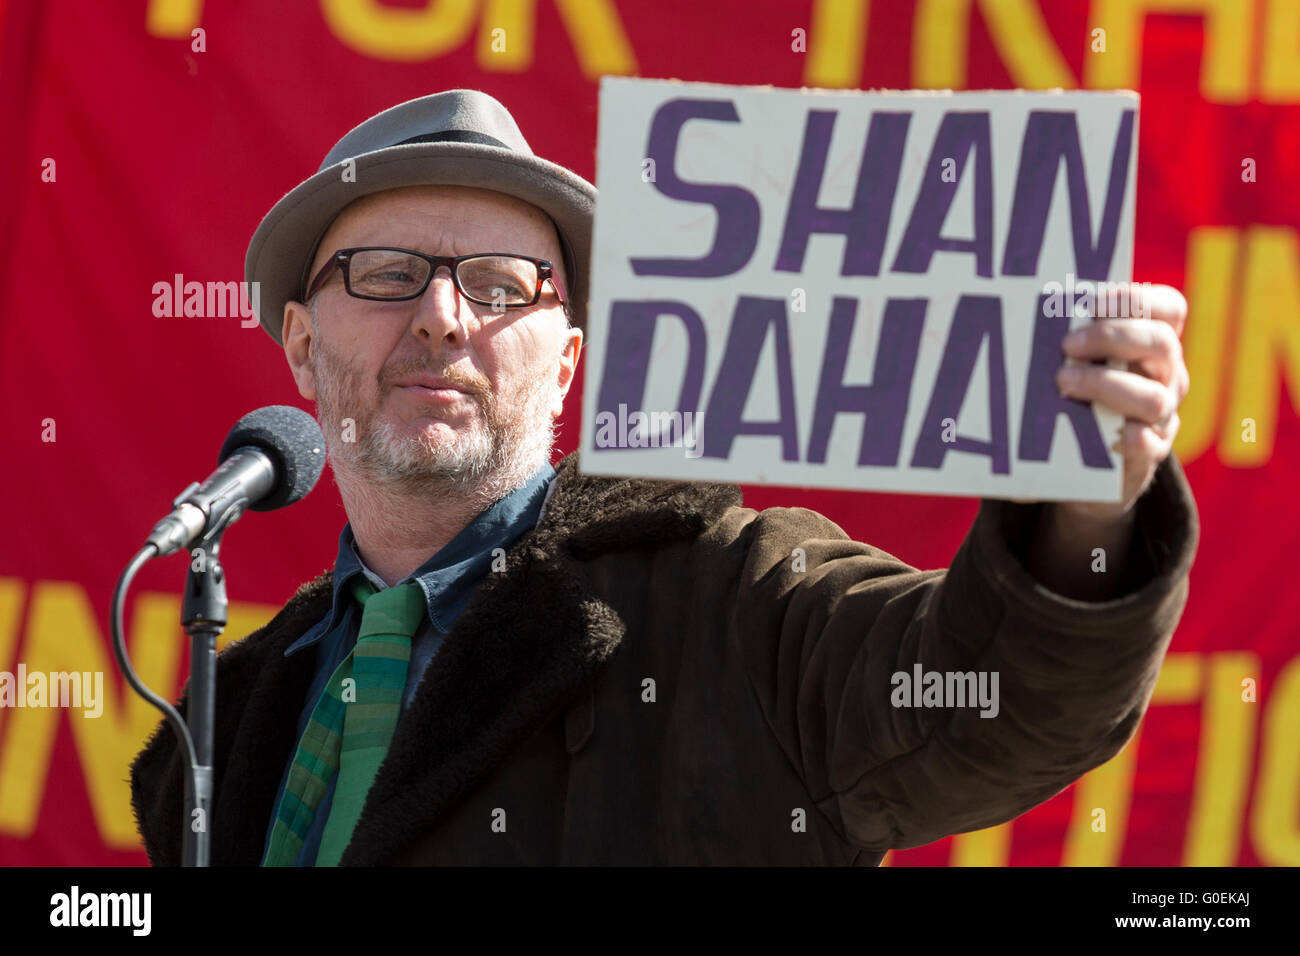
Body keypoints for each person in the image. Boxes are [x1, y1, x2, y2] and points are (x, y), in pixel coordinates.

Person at [130, 88, 1198, 866]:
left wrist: (1086, 508)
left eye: (503, 286)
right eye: (387, 274)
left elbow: (996, 712)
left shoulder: (736, 599)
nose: (443, 316)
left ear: (569, 363)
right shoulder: (232, 700)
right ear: (304, 349)